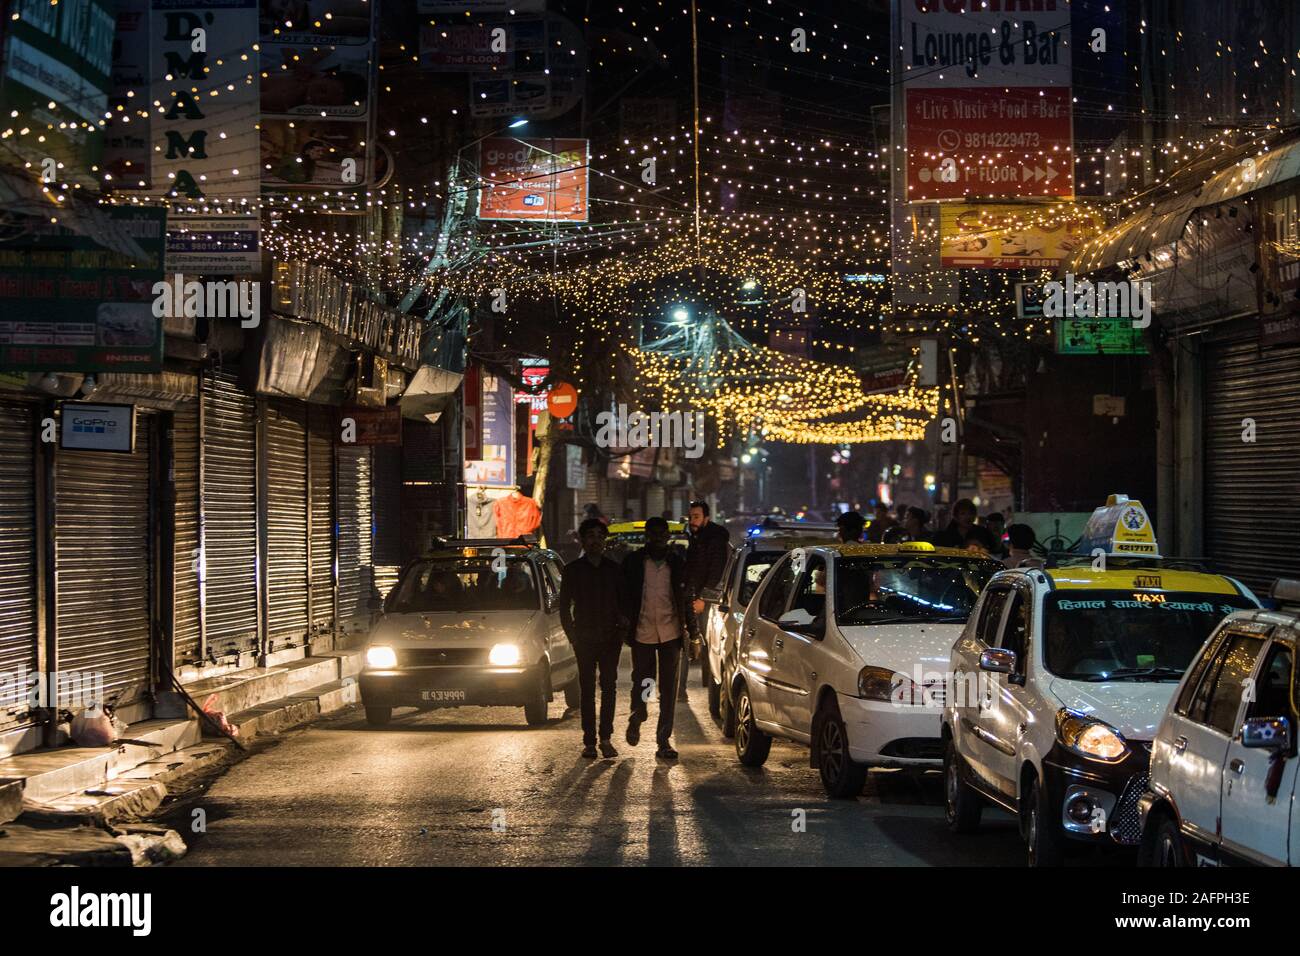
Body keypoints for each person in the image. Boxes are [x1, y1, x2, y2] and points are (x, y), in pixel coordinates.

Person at [622, 517, 697, 759]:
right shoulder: (634, 563)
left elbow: (686, 600)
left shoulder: (677, 563)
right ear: (646, 537)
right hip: (642, 633)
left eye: (661, 534)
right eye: (653, 534)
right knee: (645, 682)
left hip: (670, 634)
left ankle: (663, 740)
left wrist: (694, 634)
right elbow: (622, 597)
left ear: (667, 537)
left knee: (668, 688)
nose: (657, 538)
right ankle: (639, 713)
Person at [558, 518, 627, 760]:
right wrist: (572, 636)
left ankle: (606, 738)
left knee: (609, 686)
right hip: (584, 638)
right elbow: (564, 607)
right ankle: (589, 742)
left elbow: (624, 603)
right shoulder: (573, 570)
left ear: (604, 540)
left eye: (599, 535)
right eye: (591, 536)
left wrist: (621, 631)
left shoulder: (614, 570)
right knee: (586, 690)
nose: (595, 540)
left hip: (610, 638)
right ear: (583, 540)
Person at [682, 499, 729, 702]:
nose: (692, 520)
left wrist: (703, 599)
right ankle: (681, 690)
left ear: (706, 518)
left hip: (707, 602)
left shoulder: (714, 539)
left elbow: (716, 572)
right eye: (690, 517)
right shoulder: (695, 537)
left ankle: (713, 693)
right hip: (692, 598)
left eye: (696, 517)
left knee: (709, 646)